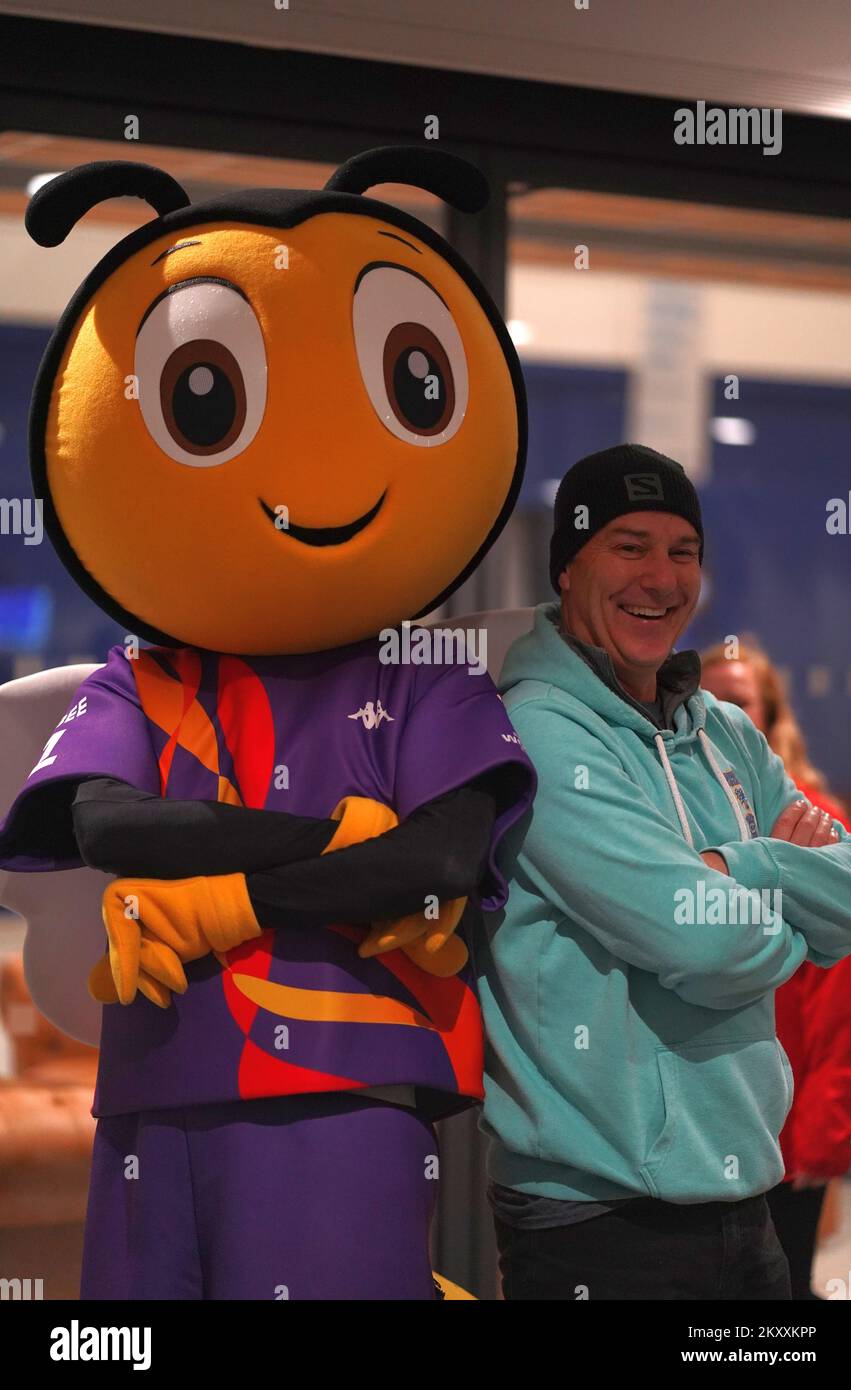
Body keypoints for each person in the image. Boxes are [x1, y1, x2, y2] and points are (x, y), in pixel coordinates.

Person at [0, 146, 536, 1300]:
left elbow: (440, 856)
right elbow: (110, 826)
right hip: (151, 1088)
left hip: (347, 1084)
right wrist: (340, 845)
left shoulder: (427, 674)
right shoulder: (142, 677)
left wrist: (224, 897)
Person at [473, 442, 851, 1300]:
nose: (661, 577)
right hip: (596, 1219)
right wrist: (788, 906)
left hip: (743, 1196)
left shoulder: (723, 732)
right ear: (568, 568)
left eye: (682, 551)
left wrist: (732, 867)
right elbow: (704, 941)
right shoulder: (538, 735)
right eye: (630, 546)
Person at [701, 639, 851, 1300]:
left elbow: (847, 995)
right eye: (708, 700)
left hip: (789, 1118)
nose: (722, 714)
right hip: (708, 1110)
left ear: (768, 716)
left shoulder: (818, 821)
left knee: (781, 1291)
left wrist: (826, 1119)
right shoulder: (676, 821)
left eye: (739, 702)